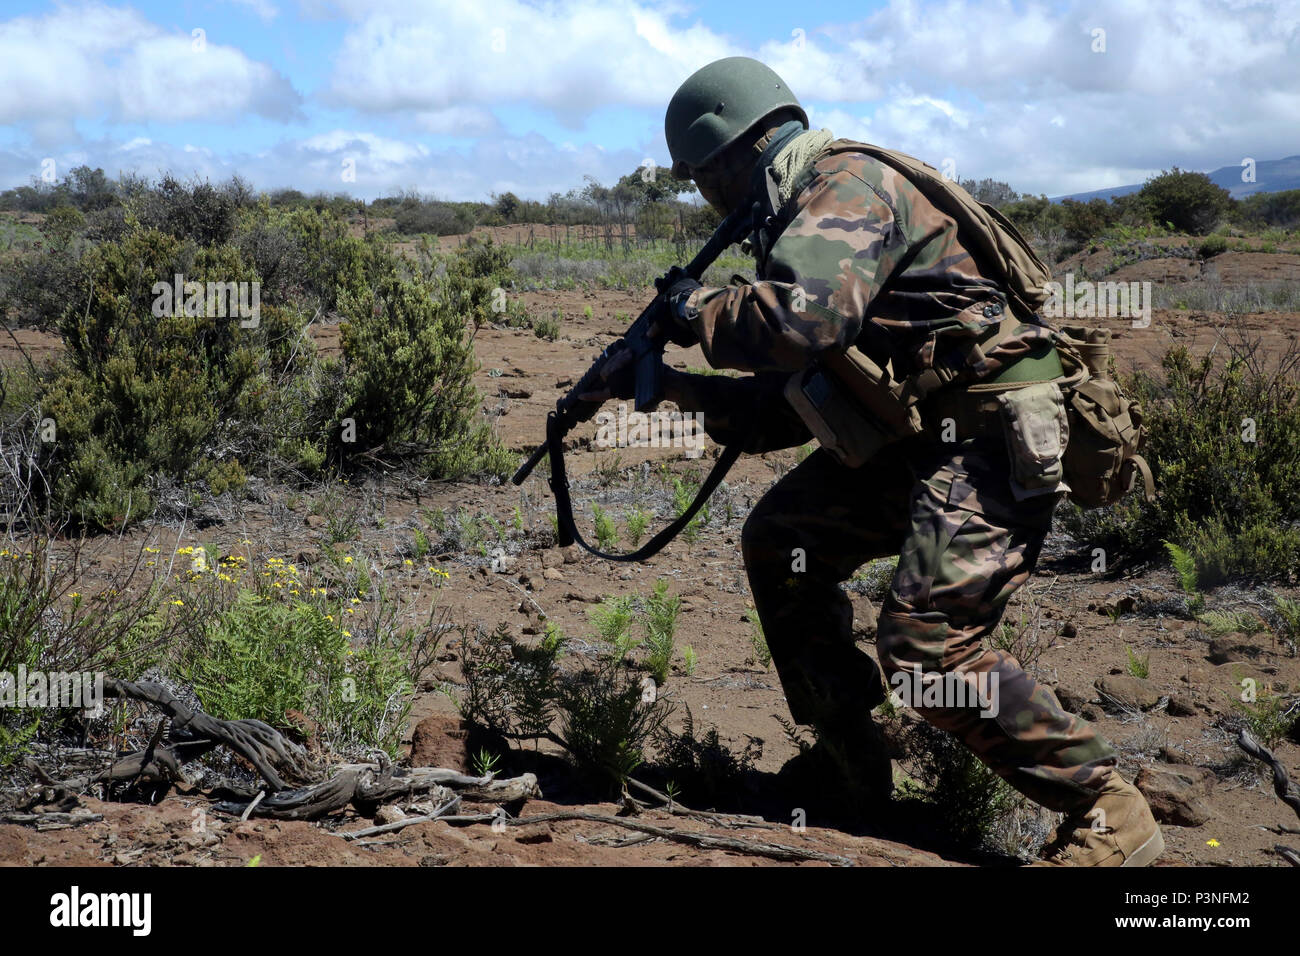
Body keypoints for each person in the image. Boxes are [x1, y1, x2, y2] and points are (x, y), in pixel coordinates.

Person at [584, 56, 1162, 866]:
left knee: (928, 644)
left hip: (992, 434)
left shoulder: (843, 187)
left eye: (702, 177)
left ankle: (1108, 807)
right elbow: (785, 407)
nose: (706, 198)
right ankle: (851, 761)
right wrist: (669, 388)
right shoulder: (803, 217)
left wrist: (693, 308)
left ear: (729, 153)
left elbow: (795, 327)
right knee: (784, 540)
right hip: (931, 438)